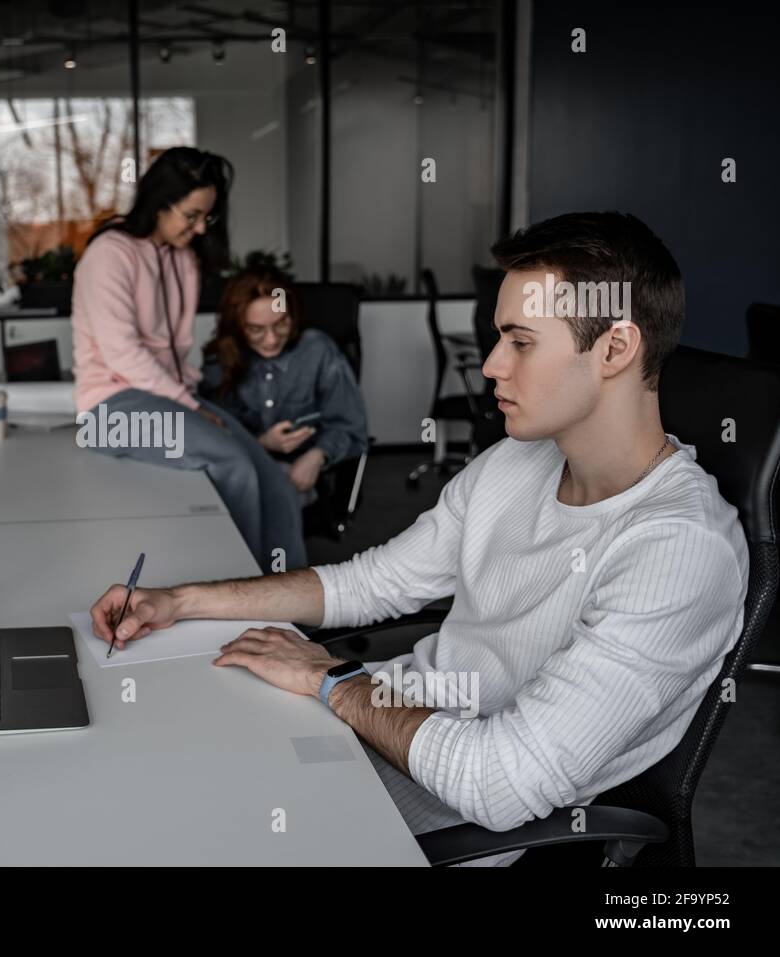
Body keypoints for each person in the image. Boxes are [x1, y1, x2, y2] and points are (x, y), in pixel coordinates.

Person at [86, 212, 749, 865]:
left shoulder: (680, 552)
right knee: (148, 763)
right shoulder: (516, 463)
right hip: (362, 738)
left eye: (520, 342)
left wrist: (333, 679)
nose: (490, 365)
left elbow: (500, 781)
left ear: (615, 348)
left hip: (442, 825)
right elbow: (370, 584)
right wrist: (179, 601)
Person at [71, 147, 307, 571]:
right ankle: (249, 603)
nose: (200, 229)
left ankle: (295, 611)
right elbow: (121, 352)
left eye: (207, 218)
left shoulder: (183, 258)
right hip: (110, 409)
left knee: (276, 484)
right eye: (191, 215)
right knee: (231, 463)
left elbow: (177, 349)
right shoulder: (110, 255)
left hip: (171, 396)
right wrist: (194, 405)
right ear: (160, 203)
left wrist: (193, 399)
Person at [199, 266, 368, 502]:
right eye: (256, 330)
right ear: (237, 327)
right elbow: (208, 434)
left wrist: (317, 455)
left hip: (299, 472)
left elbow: (352, 429)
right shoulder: (221, 360)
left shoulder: (317, 350)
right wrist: (261, 443)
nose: (271, 339)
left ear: (292, 316)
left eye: (281, 324)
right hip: (239, 467)